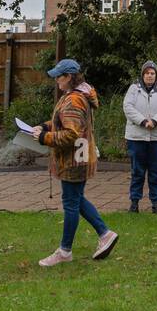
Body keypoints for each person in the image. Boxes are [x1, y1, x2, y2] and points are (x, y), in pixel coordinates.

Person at [33, 59, 118, 266]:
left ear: (69, 77)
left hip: (73, 159)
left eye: (59, 77)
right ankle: (105, 234)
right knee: (76, 200)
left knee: (71, 203)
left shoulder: (73, 100)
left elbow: (71, 133)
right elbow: (64, 122)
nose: (56, 81)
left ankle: (65, 250)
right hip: (79, 157)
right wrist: (44, 127)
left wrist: (45, 138)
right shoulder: (77, 96)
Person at [123, 61, 157, 212]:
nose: (149, 76)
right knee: (137, 171)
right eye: (147, 73)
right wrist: (143, 121)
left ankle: (156, 203)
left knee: (155, 171)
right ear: (142, 74)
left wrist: (155, 121)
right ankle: (134, 203)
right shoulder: (134, 88)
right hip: (136, 137)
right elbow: (127, 107)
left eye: (152, 73)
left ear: (156, 75)